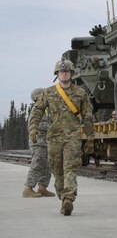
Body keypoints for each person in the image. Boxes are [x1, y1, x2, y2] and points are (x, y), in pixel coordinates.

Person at [28, 60, 95, 216]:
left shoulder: (81, 93)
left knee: (70, 169)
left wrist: (90, 138)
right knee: (57, 171)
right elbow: (37, 111)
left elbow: (88, 116)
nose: (64, 73)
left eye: (67, 71)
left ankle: (68, 199)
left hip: (73, 138)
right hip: (54, 138)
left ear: (72, 73)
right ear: (57, 74)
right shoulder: (49, 92)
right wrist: (33, 129)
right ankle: (62, 196)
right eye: (61, 71)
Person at [23, 88, 56, 198]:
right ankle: (28, 188)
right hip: (38, 142)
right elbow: (37, 124)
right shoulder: (36, 109)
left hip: (46, 142)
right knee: (37, 164)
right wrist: (53, 127)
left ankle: (42, 188)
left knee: (47, 166)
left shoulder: (46, 109)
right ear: (38, 97)